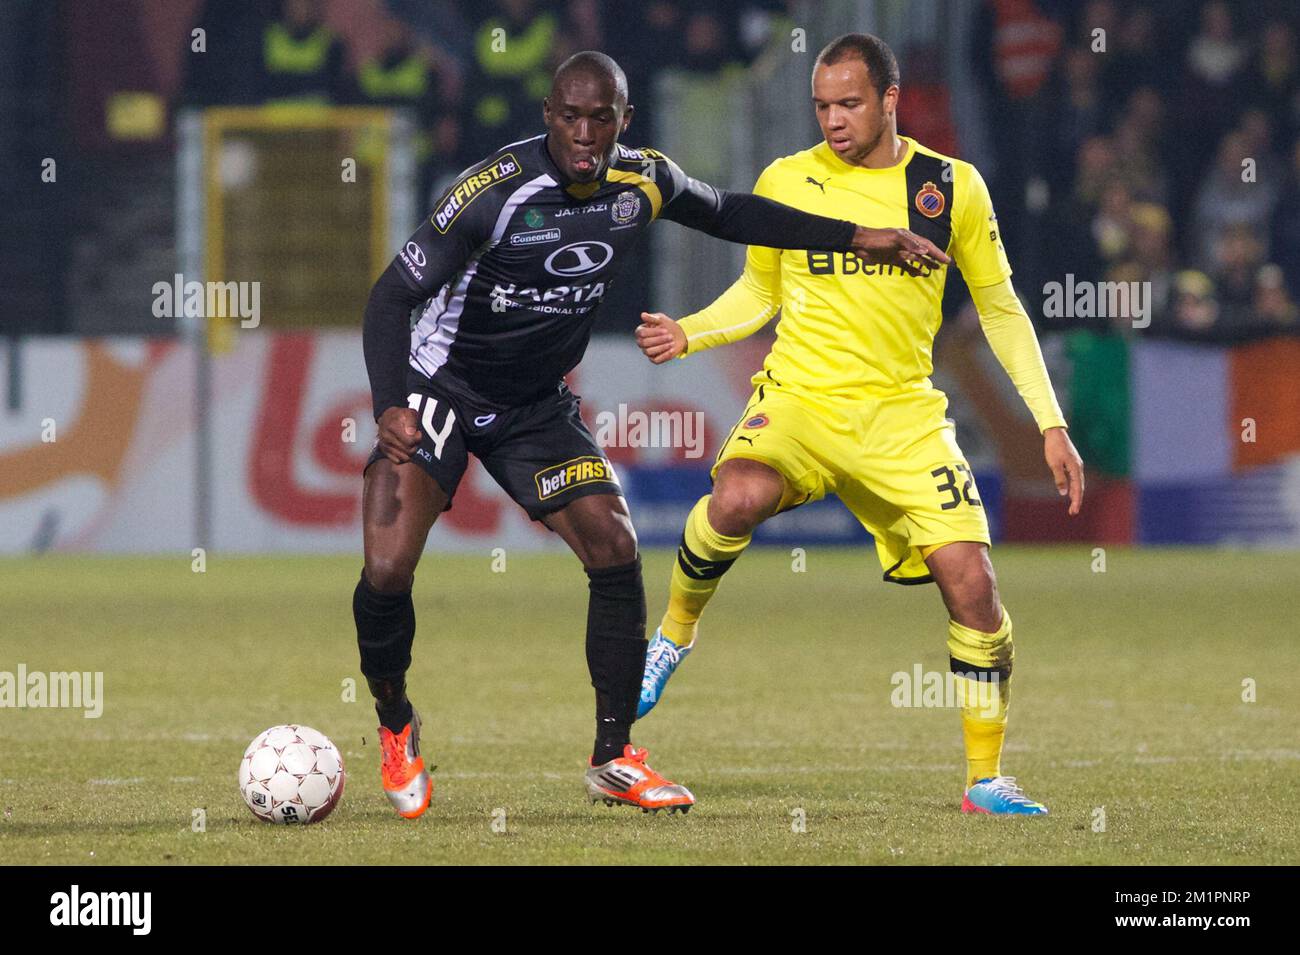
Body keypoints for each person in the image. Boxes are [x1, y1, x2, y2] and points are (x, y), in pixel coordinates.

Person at [356, 49, 948, 819]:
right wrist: (391, 400)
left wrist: (855, 235)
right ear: (548, 117)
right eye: (569, 117)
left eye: (600, 118)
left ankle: (614, 757)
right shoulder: (493, 192)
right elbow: (390, 296)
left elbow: (734, 212)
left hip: (535, 406)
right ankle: (396, 722)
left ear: (622, 121)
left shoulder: (644, 179)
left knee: (616, 545)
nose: (584, 133)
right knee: (388, 568)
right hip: (443, 386)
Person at [633, 34, 1085, 815]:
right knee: (734, 498)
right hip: (801, 399)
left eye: (849, 103)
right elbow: (758, 293)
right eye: (822, 105)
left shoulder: (950, 188)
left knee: (973, 585)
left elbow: (1001, 309)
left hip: (902, 413)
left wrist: (1048, 422)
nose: (834, 120)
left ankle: (985, 779)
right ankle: (672, 634)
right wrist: (691, 331)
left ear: (889, 99)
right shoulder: (789, 179)